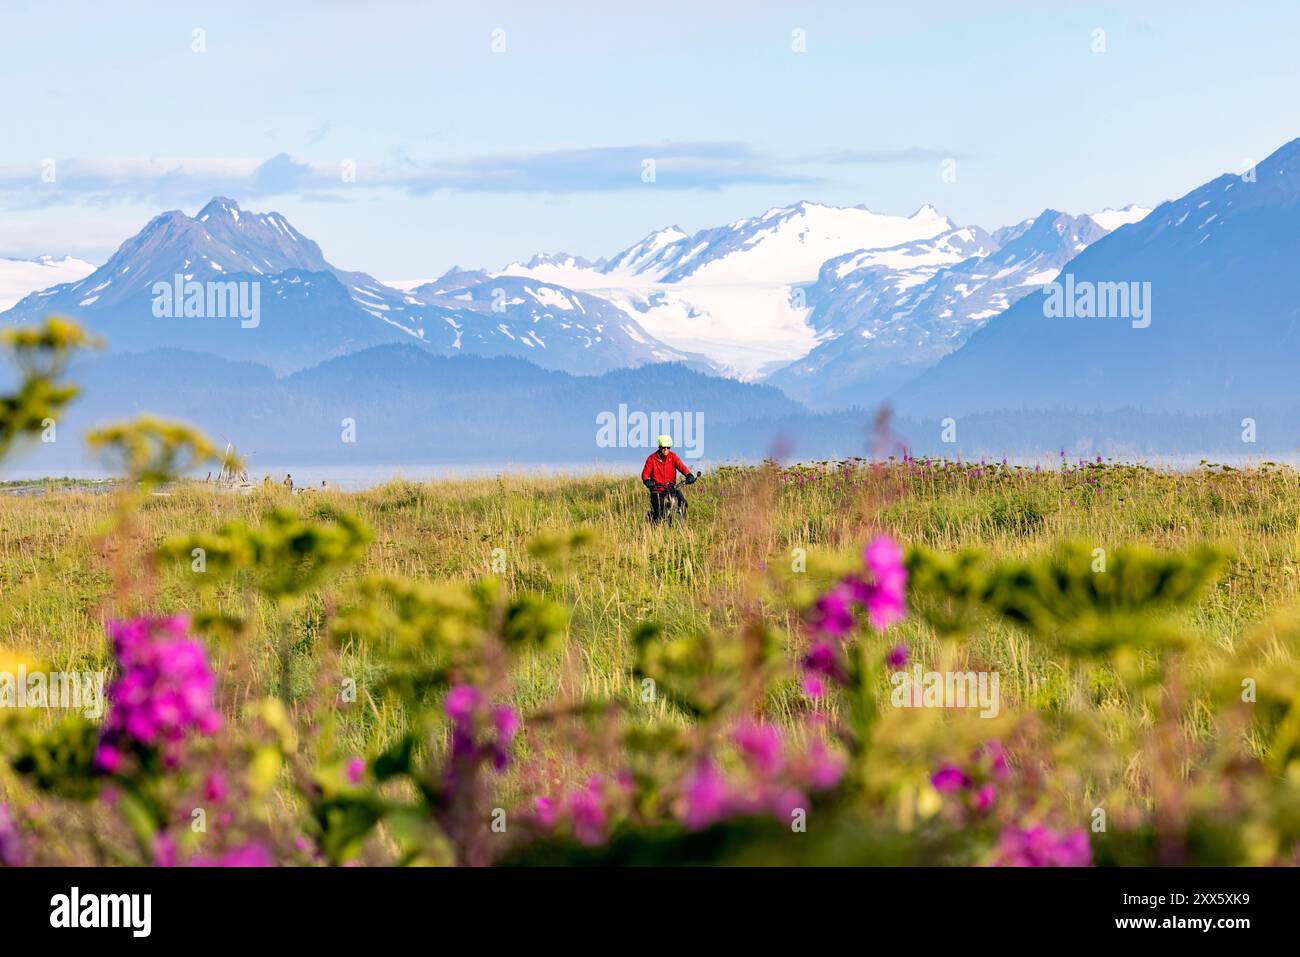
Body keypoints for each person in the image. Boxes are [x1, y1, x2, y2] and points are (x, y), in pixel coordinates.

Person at [641, 435, 695, 523]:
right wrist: (647, 481)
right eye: (664, 447)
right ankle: (651, 521)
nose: (666, 449)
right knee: (659, 514)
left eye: (668, 447)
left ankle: (679, 524)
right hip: (657, 490)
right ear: (659, 447)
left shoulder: (673, 457)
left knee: (683, 504)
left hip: (671, 488)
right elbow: (645, 474)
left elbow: (681, 466)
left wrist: (689, 475)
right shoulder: (652, 459)